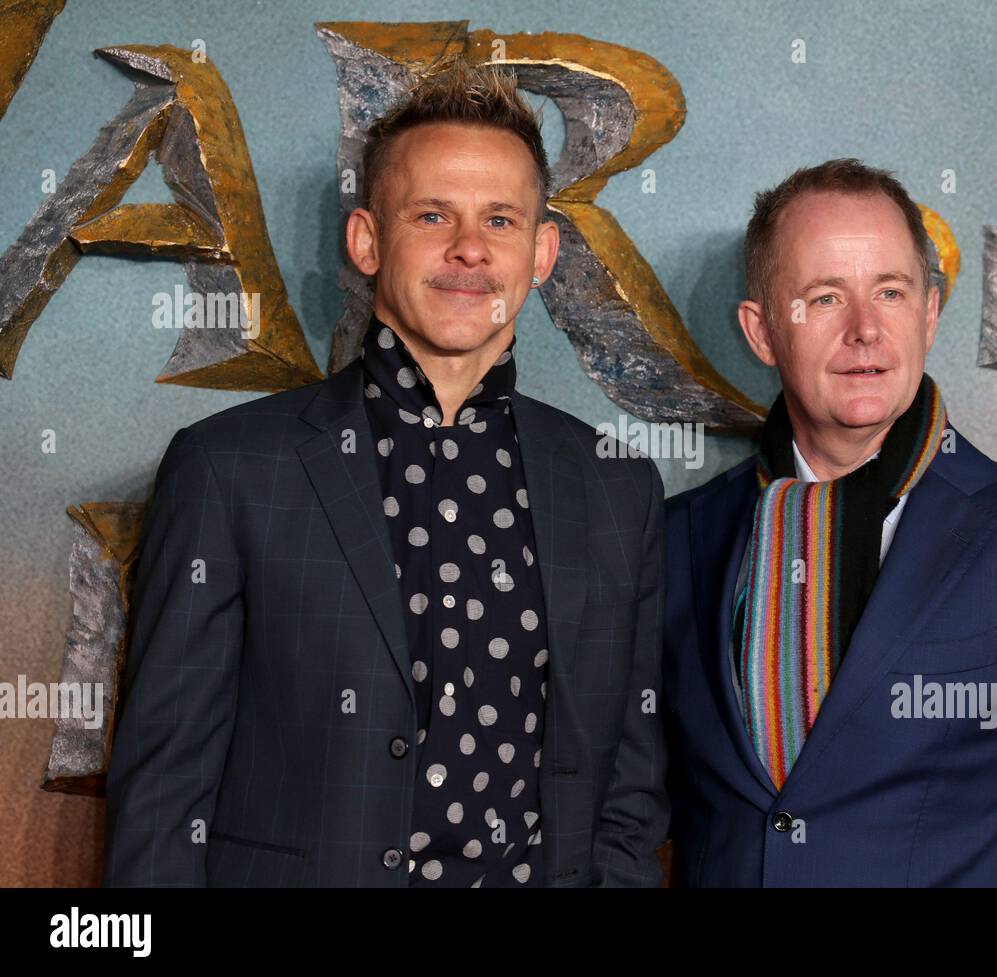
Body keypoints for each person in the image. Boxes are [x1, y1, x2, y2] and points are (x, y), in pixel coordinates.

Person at [104, 60, 668, 888]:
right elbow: (163, 793)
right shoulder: (229, 470)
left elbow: (626, 790)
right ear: (368, 240)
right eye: (433, 213)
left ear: (543, 252)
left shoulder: (618, 489)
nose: (470, 248)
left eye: (502, 220)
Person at [662, 159, 997, 887]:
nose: (866, 330)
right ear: (763, 331)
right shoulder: (676, 540)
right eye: (825, 297)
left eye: (891, 293)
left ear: (929, 313)